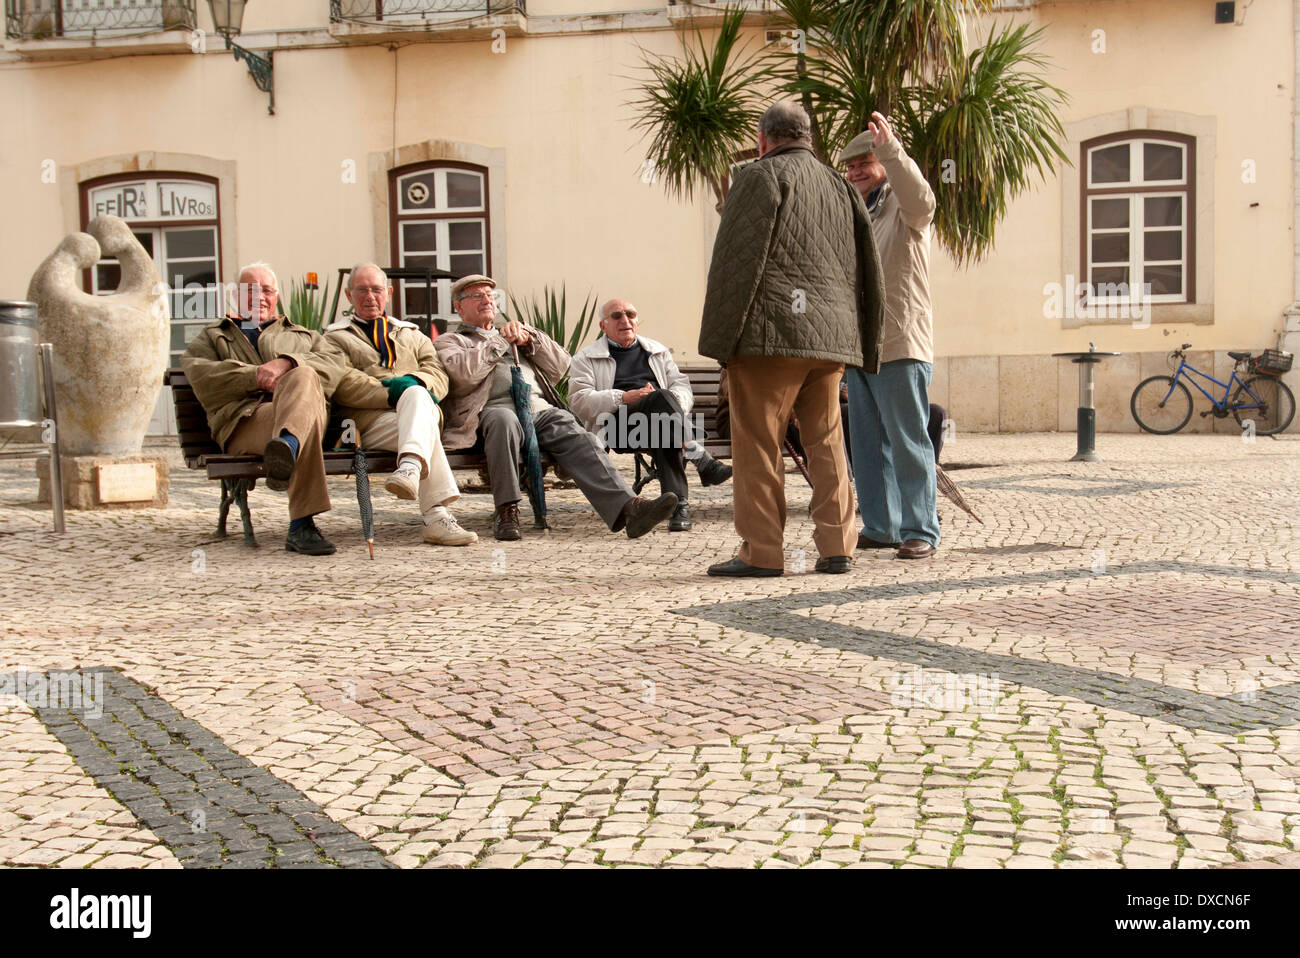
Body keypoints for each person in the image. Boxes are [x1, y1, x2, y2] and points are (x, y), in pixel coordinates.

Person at [698, 101, 884, 577]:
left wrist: (722, 341)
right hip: (831, 341)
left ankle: (761, 553)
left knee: (758, 442)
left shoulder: (758, 177)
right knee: (826, 442)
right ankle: (838, 547)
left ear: (764, 140)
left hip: (769, 337)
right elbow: (869, 267)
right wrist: (865, 341)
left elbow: (736, 264)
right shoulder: (841, 185)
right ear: (807, 137)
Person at [433, 275, 679, 542]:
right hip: (493, 409)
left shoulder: (518, 333)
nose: (487, 300)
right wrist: (500, 341)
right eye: (477, 296)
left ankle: (630, 509)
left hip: (538, 408)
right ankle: (506, 511)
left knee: (576, 432)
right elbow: (463, 374)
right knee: (504, 421)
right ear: (459, 307)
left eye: (491, 295)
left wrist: (530, 338)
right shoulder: (451, 341)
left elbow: (562, 365)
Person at [182, 262, 344, 555]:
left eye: (266, 290)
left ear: (277, 296)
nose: (259, 296)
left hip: (301, 412)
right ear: (235, 295)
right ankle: (301, 526)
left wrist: (286, 363)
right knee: (302, 425)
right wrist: (254, 376)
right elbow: (202, 376)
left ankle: (286, 446)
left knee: (304, 376)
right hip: (246, 420)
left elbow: (335, 366)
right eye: (250, 290)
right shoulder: (214, 336)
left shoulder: (305, 336)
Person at [841, 111, 940, 559]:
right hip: (859, 348)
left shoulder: (903, 207)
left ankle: (921, 529)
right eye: (851, 165)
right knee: (866, 445)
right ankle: (882, 526)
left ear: (882, 162)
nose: (858, 170)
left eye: (867, 161)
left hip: (901, 343)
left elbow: (922, 198)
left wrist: (893, 151)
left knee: (907, 441)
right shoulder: (856, 216)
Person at [323, 263, 476, 546]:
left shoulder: (412, 334)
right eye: (362, 290)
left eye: (376, 290)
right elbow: (343, 383)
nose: (370, 296)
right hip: (367, 423)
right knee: (420, 416)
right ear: (349, 295)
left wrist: (412, 384)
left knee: (417, 396)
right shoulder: (335, 338)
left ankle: (409, 468)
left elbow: (438, 375)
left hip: (414, 417)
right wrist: (391, 391)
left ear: (389, 293)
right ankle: (437, 516)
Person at [569, 298, 732, 532]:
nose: (625, 320)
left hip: (659, 423)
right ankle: (701, 461)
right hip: (618, 428)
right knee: (661, 406)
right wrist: (624, 397)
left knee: (664, 421)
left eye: (630, 314)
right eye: (617, 316)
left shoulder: (657, 351)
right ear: (603, 326)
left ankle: (679, 509)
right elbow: (579, 401)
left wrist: (666, 402)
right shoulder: (586, 358)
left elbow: (682, 388)